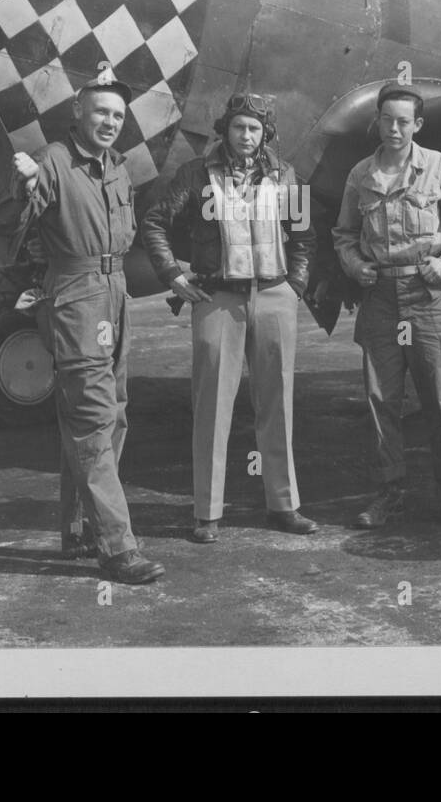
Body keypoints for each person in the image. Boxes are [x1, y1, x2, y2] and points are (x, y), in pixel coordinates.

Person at [140, 93, 318, 544]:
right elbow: (155, 222)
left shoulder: (284, 175)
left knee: (278, 402)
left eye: (254, 129)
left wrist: (293, 287)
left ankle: (284, 505)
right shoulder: (196, 174)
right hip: (217, 297)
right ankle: (207, 513)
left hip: (275, 295)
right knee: (213, 406)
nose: (246, 135)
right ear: (226, 129)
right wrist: (174, 277)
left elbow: (303, 234)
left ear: (265, 134)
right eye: (239, 127)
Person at [11, 75, 165, 585]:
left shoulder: (116, 168)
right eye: (101, 112)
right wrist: (25, 186)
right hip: (77, 298)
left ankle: (79, 528)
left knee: (113, 416)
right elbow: (8, 219)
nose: (109, 123)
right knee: (94, 419)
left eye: (118, 116)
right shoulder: (53, 160)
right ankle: (118, 547)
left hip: (115, 296)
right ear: (78, 110)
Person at [332, 82, 441, 530]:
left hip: (427, 295)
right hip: (380, 296)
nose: (394, 128)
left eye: (404, 121)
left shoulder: (438, 166)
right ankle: (388, 495)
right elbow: (343, 233)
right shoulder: (361, 174)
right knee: (382, 401)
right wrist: (354, 265)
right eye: (387, 119)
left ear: (417, 125)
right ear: (376, 121)